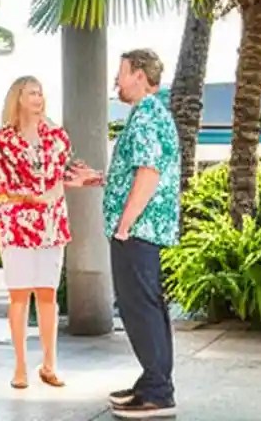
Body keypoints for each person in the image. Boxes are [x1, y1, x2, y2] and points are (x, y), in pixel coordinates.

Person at [73, 49, 182, 419]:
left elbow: (149, 172)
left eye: (120, 74)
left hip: (137, 230)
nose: (115, 81)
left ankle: (157, 392)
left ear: (139, 75)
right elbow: (136, 172)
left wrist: (125, 223)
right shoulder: (148, 114)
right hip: (141, 228)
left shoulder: (148, 116)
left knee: (140, 308)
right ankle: (153, 382)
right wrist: (99, 179)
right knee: (148, 305)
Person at [0, 76, 97, 390]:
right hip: (16, 226)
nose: (38, 98)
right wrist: (32, 196)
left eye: (41, 93)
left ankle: (49, 364)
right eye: (32, 93)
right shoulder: (1, 140)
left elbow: (65, 176)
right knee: (19, 296)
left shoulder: (57, 137)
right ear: (18, 98)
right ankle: (20, 367)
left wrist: (63, 188)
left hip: (51, 225)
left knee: (47, 294)